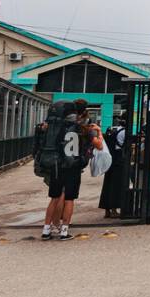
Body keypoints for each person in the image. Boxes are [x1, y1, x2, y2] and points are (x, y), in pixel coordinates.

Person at [41, 100, 104, 240]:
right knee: (69, 199)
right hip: (74, 166)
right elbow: (99, 146)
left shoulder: (56, 127)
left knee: (54, 198)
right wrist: (99, 131)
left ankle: (46, 229)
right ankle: (64, 231)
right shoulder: (84, 128)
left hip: (57, 165)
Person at [98, 123, 128, 218]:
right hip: (118, 159)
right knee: (117, 185)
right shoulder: (124, 132)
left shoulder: (110, 129)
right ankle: (114, 209)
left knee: (107, 183)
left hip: (109, 158)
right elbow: (126, 145)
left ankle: (107, 210)